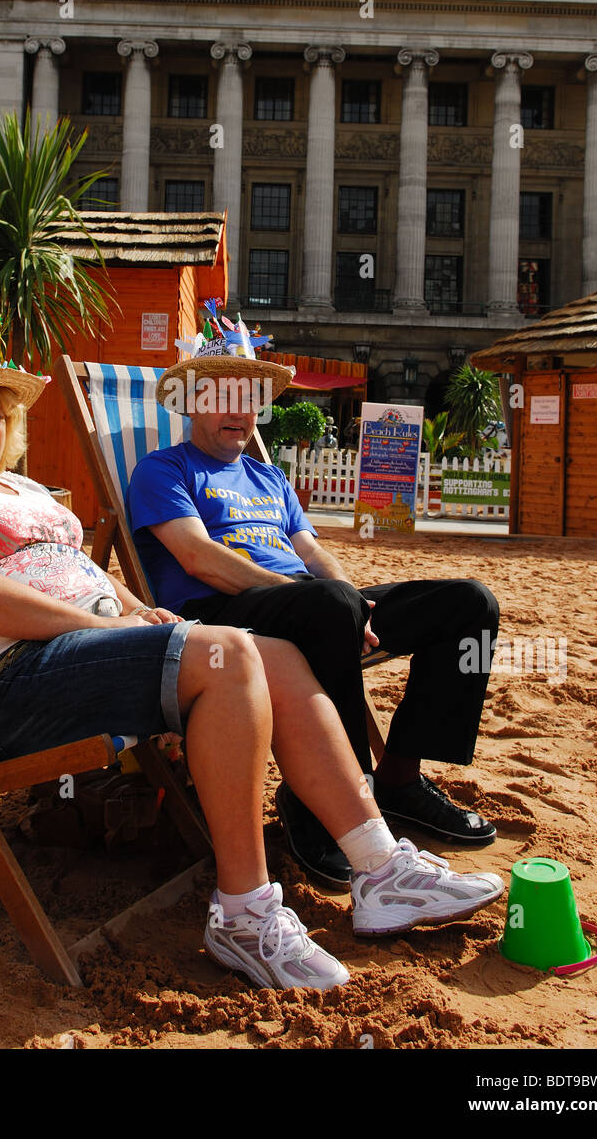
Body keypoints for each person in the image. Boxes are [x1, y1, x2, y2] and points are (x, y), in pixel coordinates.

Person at [0, 341, 504, 992]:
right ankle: (245, 913)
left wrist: (139, 610)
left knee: (272, 655)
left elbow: (78, 574)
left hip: (72, 656)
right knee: (230, 652)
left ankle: (380, 868)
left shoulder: (20, 488)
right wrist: (112, 625)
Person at [127, 341, 501, 892]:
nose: (239, 411)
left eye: (249, 399)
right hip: (223, 616)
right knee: (329, 606)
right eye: (222, 396)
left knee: (470, 603)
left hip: (315, 607)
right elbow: (199, 559)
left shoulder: (268, 478)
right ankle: (321, 801)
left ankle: (399, 778)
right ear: (191, 403)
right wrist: (328, 600)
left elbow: (312, 553)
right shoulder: (163, 470)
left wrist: (355, 599)